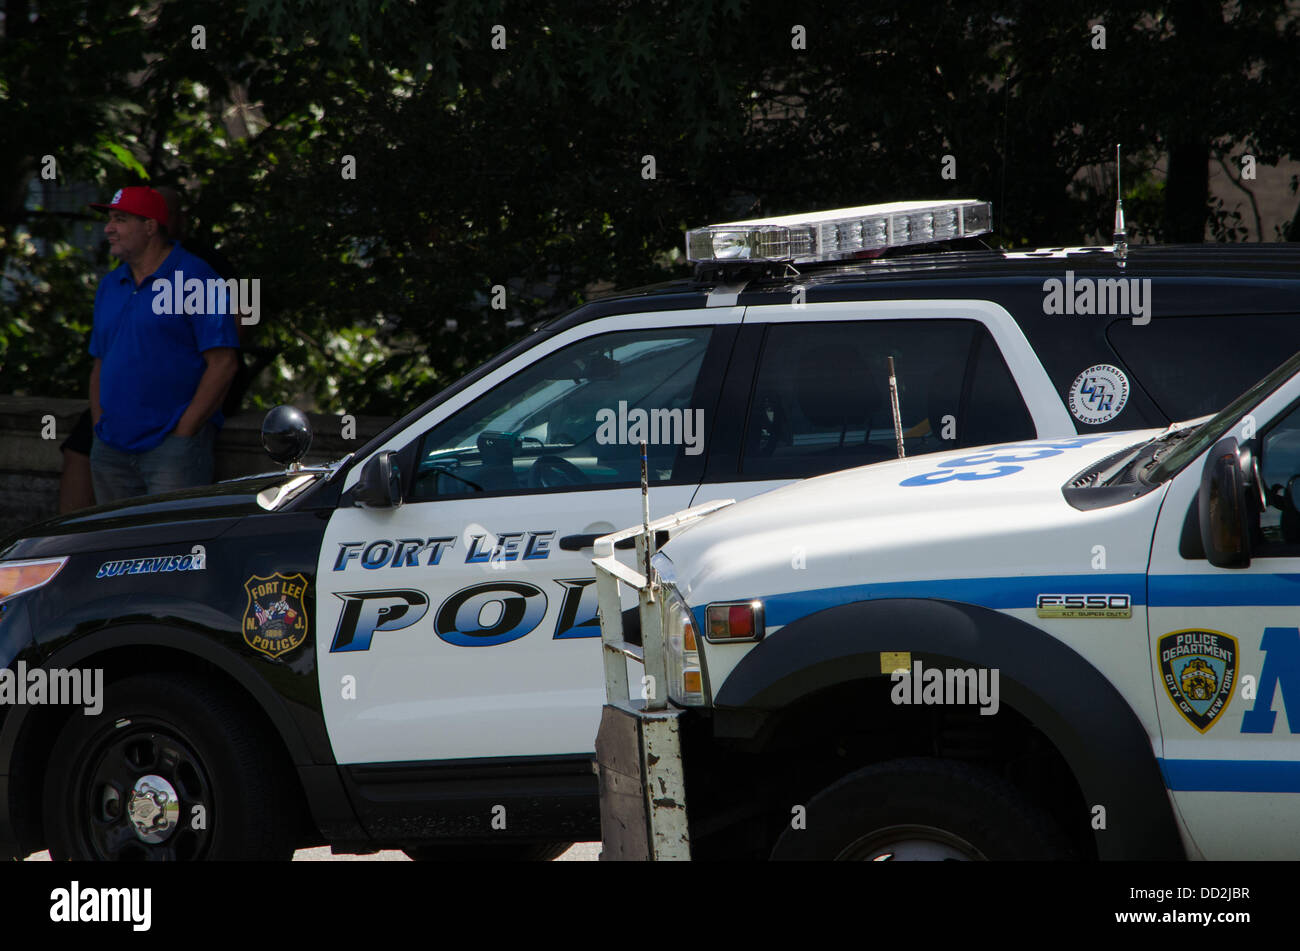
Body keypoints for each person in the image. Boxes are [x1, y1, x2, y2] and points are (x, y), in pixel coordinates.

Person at [86, 186, 239, 501]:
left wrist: (184, 432)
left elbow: (223, 363)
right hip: (111, 447)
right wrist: (100, 425)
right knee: (114, 546)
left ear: (150, 226)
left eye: (120, 219)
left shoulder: (196, 277)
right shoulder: (110, 284)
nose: (108, 228)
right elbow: (100, 362)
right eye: (110, 219)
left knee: (171, 546)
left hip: (171, 449)